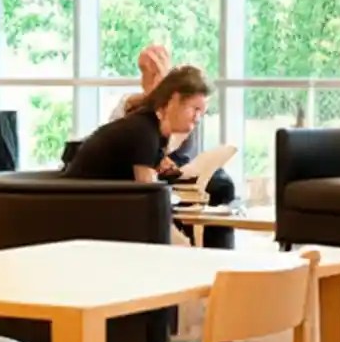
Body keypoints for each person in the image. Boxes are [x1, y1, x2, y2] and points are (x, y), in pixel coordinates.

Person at [65, 65, 237, 248]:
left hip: (103, 206)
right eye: (195, 109)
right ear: (174, 100)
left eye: (201, 112)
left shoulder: (150, 128)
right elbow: (150, 196)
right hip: (87, 209)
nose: (198, 118)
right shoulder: (143, 132)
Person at [109, 44, 173, 121]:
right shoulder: (128, 102)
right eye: (143, 70)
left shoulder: (175, 104)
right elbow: (111, 126)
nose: (147, 77)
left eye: (156, 72)